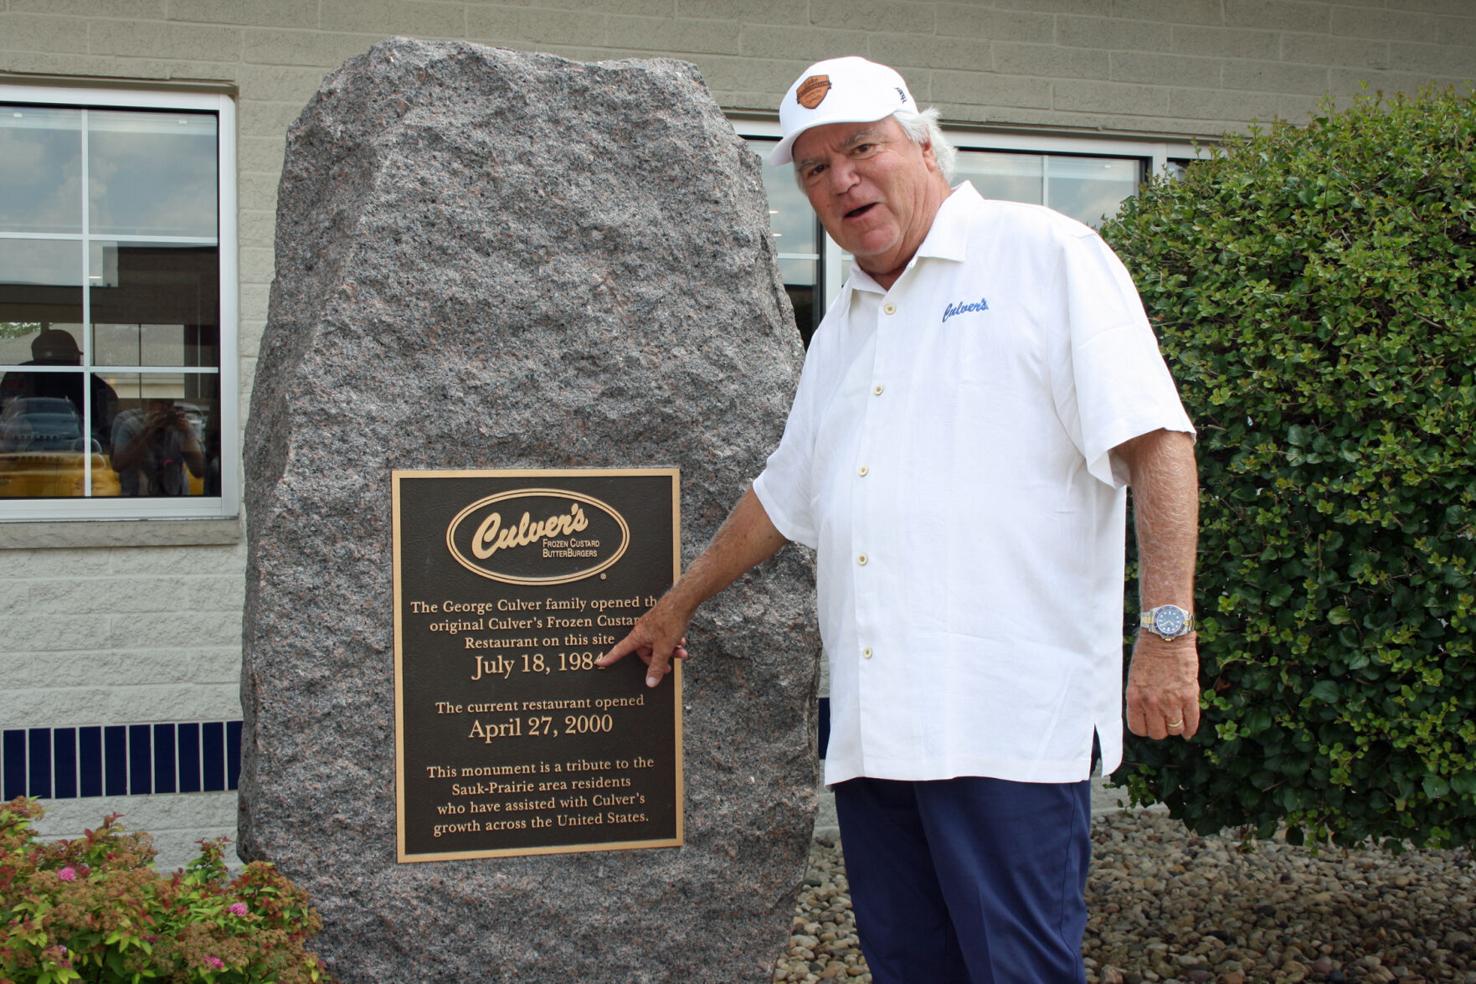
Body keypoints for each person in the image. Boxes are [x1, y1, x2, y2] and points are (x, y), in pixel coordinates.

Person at [599, 55, 1200, 983]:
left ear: (921, 145)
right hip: (876, 731)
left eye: (862, 148)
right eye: (813, 168)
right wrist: (677, 603)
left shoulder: (1045, 255)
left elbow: (1158, 444)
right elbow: (784, 492)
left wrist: (1167, 632)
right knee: (911, 966)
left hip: (1005, 725)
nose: (841, 180)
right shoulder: (844, 324)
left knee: (1018, 971)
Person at [0, 328, 119, 451]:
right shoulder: (93, 383)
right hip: (80, 453)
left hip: (37, 450)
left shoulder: (18, 375)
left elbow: (4, 414)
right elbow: (108, 425)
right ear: (74, 355)